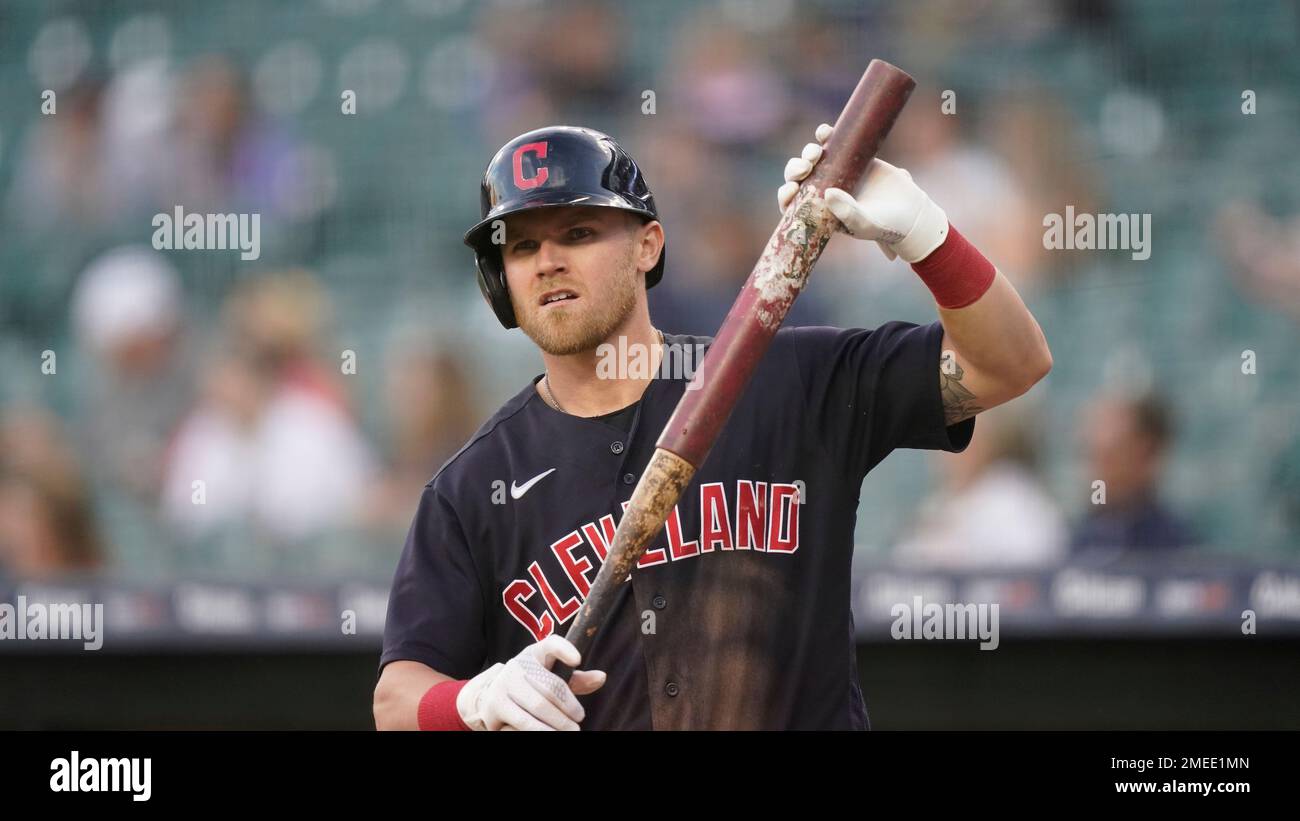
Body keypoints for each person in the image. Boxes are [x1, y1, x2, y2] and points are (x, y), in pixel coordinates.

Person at [374, 124, 1052, 730]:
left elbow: (1011, 364)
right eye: (522, 246)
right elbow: (396, 699)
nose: (547, 260)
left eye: (578, 233)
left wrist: (925, 233)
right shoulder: (472, 486)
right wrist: (470, 700)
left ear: (648, 246)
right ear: (500, 280)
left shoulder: (783, 377)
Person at [1072, 392, 1196, 555]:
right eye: (1092, 454)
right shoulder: (1078, 537)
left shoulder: (1175, 545)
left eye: (1112, 455)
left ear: (1148, 455)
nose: (1098, 470)